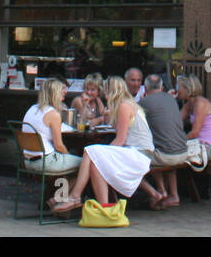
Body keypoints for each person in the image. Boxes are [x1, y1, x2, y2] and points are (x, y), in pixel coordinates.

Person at [53, 76, 159, 213]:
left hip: (139, 152)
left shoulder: (124, 106)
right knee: (96, 161)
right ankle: (104, 208)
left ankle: (75, 196)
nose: (104, 94)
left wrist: (102, 153)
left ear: (111, 91)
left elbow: (120, 140)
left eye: (106, 90)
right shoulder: (127, 104)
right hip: (139, 150)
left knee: (91, 152)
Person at [140, 73, 189, 209]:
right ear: (161, 87)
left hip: (165, 155)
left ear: (145, 88)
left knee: (144, 155)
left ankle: (160, 192)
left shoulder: (143, 103)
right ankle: (174, 195)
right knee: (163, 148)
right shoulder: (171, 99)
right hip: (183, 152)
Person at [19, 77, 83, 176]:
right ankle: (70, 191)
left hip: (27, 161)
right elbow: (59, 146)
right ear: (54, 93)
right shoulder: (53, 114)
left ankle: (60, 190)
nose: (64, 92)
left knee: (76, 166)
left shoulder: (31, 109)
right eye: (61, 90)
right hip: (46, 162)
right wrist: (68, 158)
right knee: (87, 164)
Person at [176, 73, 211, 163]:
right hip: (197, 145)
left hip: (208, 147)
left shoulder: (200, 103)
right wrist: (170, 99)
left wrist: (178, 143)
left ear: (187, 88)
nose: (177, 89)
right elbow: (175, 121)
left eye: (179, 86)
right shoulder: (189, 104)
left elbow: (194, 133)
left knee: (175, 157)